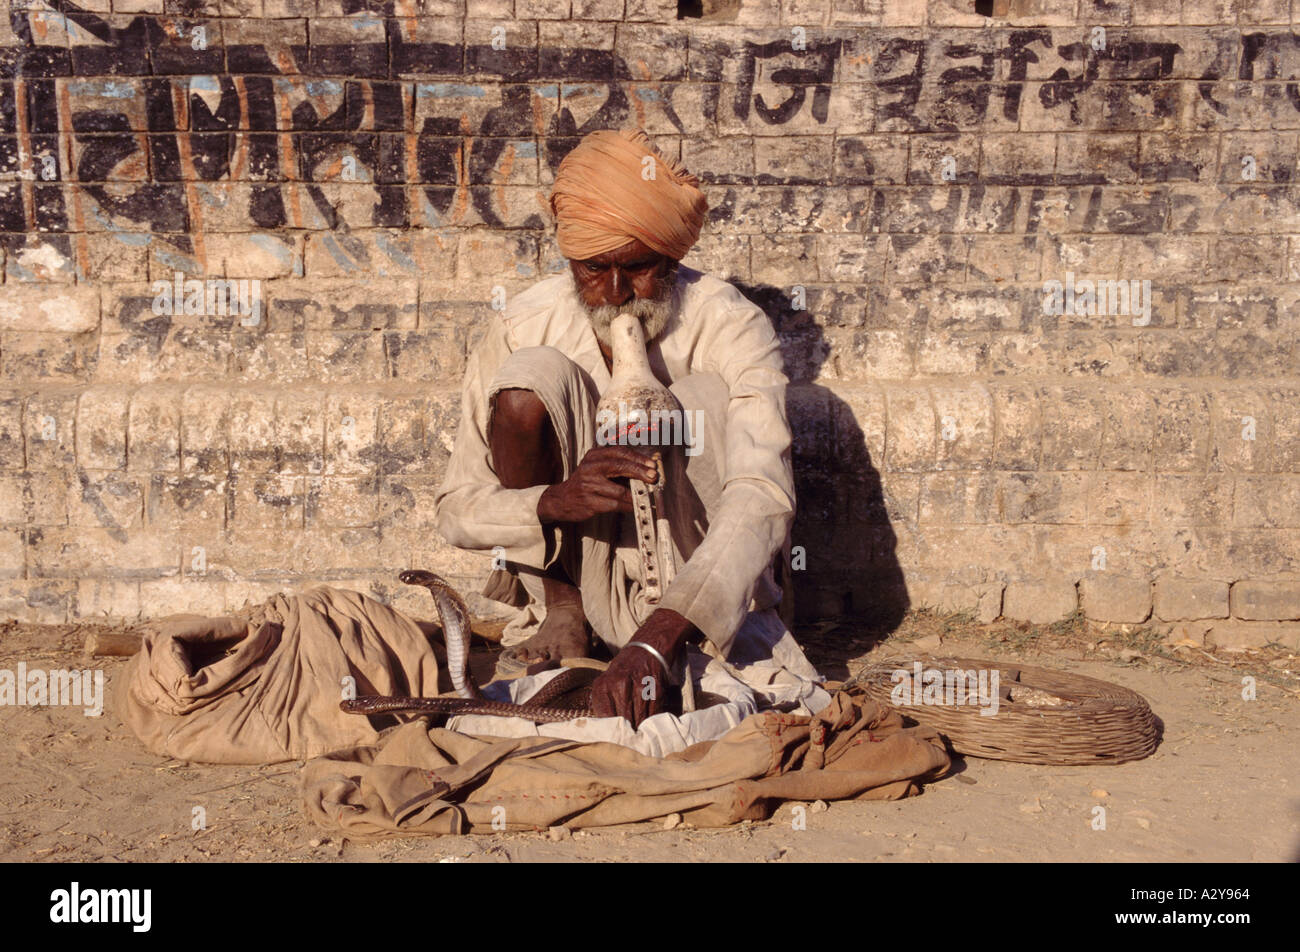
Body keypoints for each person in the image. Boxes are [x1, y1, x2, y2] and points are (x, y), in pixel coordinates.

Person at [434, 127, 825, 729]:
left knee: (697, 397)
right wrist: (553, 501)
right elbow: (459, 510)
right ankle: (565, 611)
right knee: (526, 383)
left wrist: (658, 635)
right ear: (569, 258)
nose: (615, 293)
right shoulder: (524, 323)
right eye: (594, 269)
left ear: (673, 256)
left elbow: (763, 493)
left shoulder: (730, 324)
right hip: (581, 570)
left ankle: (681, 631)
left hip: (695, 582)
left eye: (638, 267)